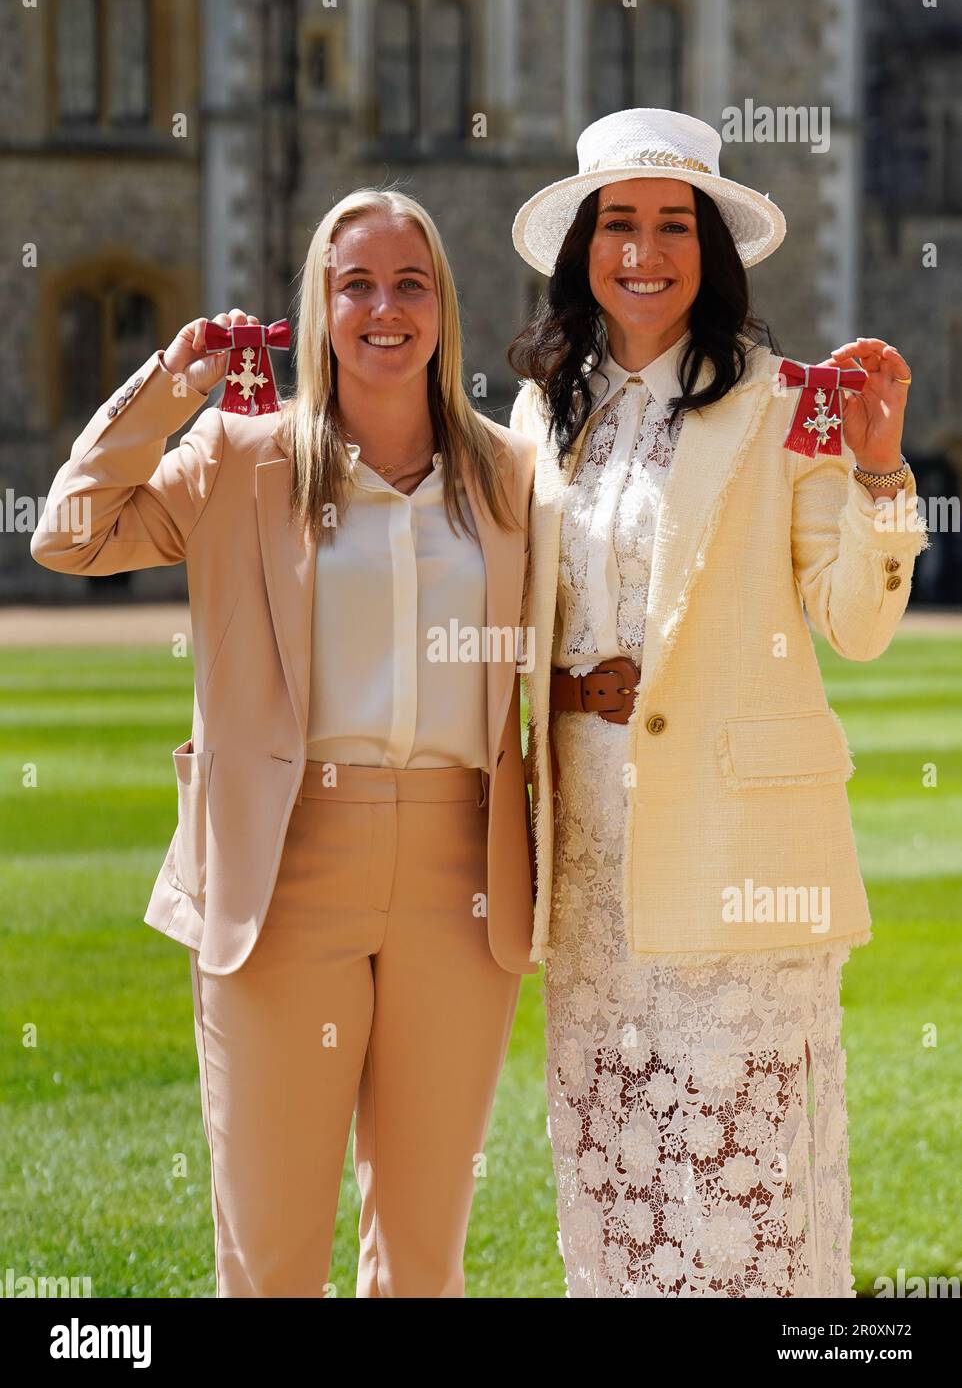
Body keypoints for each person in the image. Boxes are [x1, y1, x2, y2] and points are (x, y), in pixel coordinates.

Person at [31, 188, 538, 1298]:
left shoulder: (508, 475)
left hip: (463, 875)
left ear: (443, 308)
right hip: (282, 866)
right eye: (354, 282)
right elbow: (67, 532)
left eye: (410, 283)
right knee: (271, 1256)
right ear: (317, 306)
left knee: (421, 1259)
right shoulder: (236, 457)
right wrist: (173, 384)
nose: (383, 308)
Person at [508, 107, 929, 1297]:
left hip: (738, 863)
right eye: (619, 224)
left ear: (712, 246)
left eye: (671, 224)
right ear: (583, 244)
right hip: (588, 868)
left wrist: (879, 471)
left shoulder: (779, 400)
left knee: (744, 1225)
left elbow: (853, 621)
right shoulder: (543, 413)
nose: (643, 250)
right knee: (620, 1207)